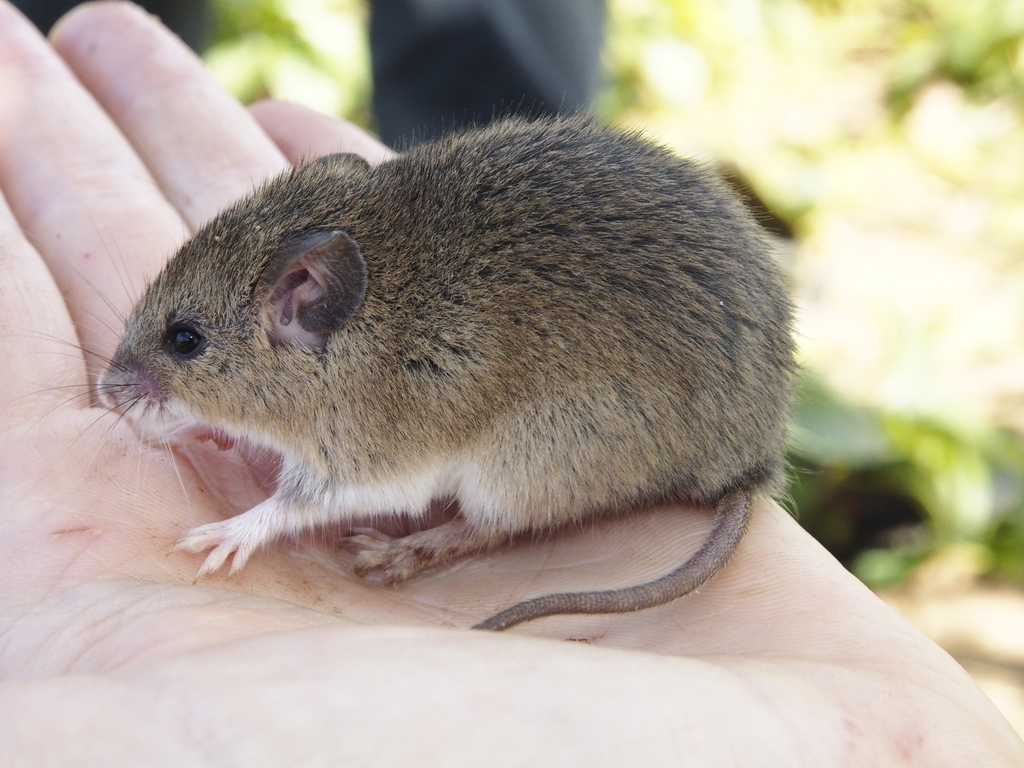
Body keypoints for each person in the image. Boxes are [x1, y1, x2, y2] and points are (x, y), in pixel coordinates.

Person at [0, 2, 1020, 763]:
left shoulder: (371, 381)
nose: (145, 375)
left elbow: (378, 466)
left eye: (179, 346)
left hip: (658, 405)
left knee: (483, 467)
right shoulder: (330, 309)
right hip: (677, 339)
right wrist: (216, 409)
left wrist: (262, 521)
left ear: (305, 305)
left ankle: (482, 531)